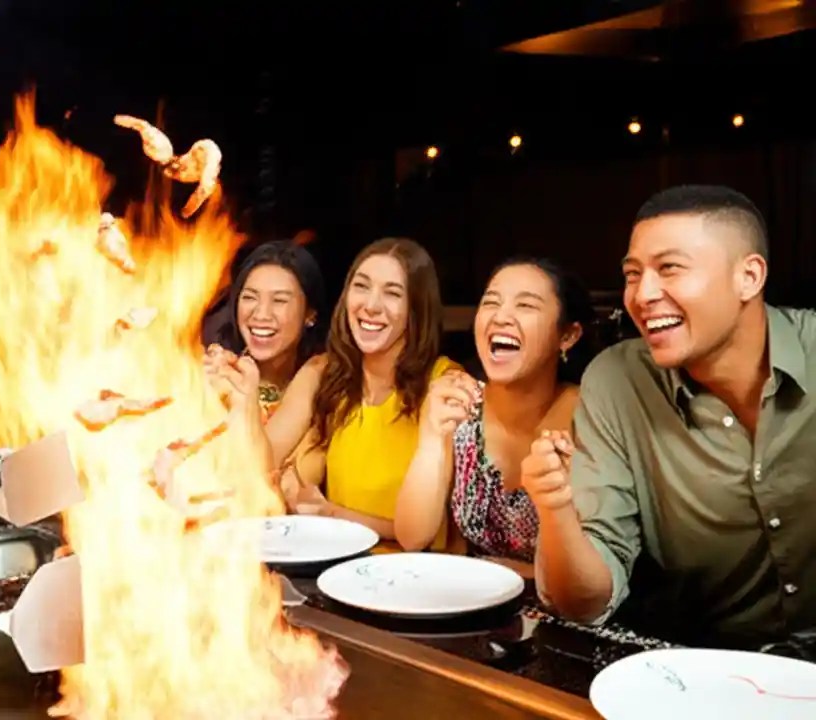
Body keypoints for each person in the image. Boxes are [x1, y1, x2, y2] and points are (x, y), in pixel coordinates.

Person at [523, 185, 816, 648]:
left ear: (749, 277)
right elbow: (583, 604)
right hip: (702, 673)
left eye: (670, 268)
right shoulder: (619, 382)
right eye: (633, 274)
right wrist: (556, 510)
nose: (642, 295)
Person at [211, 238, 459, 542]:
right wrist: (246, 400)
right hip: (340, 570)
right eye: (361, 287)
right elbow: (261, 463)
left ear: (416, 308)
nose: (371, 305)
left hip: (422, 573)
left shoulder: (443, 383)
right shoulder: (324, 372)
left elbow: (416, 538)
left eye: (392, 293)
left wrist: (333, 514)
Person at [395, 257, 594, 573]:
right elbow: (412, 537)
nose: (501, 316)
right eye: (491, 302)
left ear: (567, 336)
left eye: (526, 306)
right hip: (477, 603)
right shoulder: (461, 404)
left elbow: (591, 565)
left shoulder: (591, 417)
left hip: (569, 614)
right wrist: (432, 437)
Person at [206, 239, 327, 420]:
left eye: (279, 300)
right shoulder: (215, 378)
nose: (262, 315)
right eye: (250, 297)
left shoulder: (325, 383)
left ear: (310, 314)